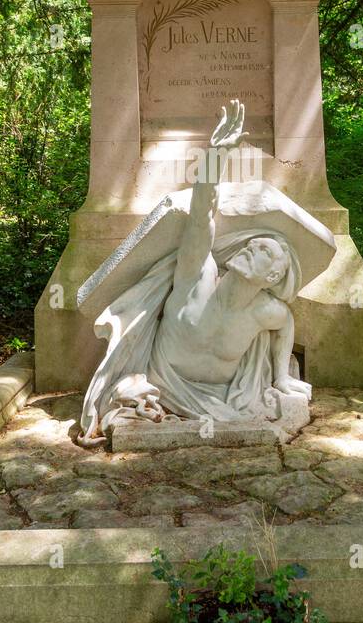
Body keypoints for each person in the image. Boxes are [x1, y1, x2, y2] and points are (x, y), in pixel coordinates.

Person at [79, 100, 310, 442]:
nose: (250, 247)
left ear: (272, 278)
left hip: (222, 397)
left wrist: (280, 377)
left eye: (264, 251)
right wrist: (215, 157)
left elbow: (286, 323)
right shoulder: (198, 277)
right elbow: (201, 216)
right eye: (253, 243)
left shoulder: (266, 312)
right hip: (166, 386)